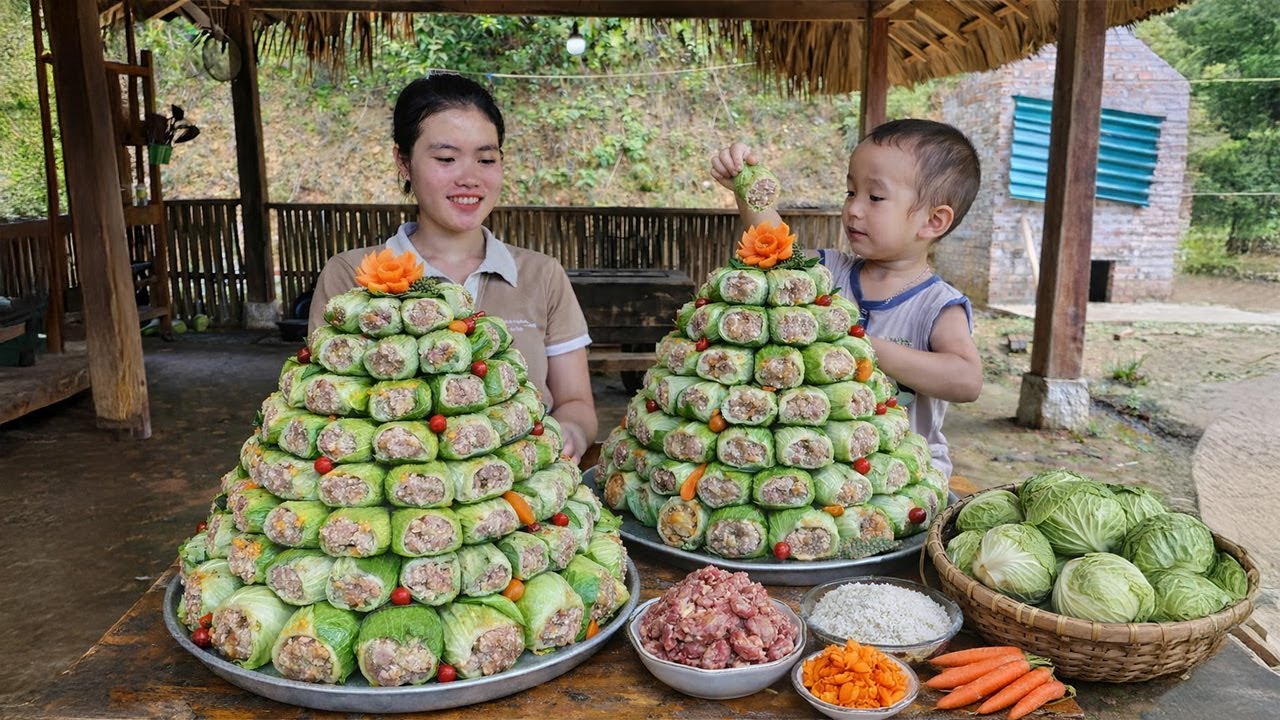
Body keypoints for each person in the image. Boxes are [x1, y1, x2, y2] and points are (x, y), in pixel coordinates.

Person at [309, 73, 597, 461]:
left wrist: (571, 434)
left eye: (486, 159)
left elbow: (576, 402)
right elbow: (324, 405)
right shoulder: (351, 275)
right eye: (446, 159)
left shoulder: (541, 275)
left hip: (522, 487)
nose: (470, 178)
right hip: (403, 489)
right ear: (403, 162)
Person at [710, 119, 983, 477]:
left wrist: (857, 345)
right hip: (822, 471)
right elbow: (775, 251)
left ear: (933, 221)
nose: (853, 209)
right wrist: (746, 187)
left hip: (903, 478)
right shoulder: (829, 273)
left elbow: (966, 380)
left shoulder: (936, 305)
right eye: (850, 192)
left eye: (875, 197)